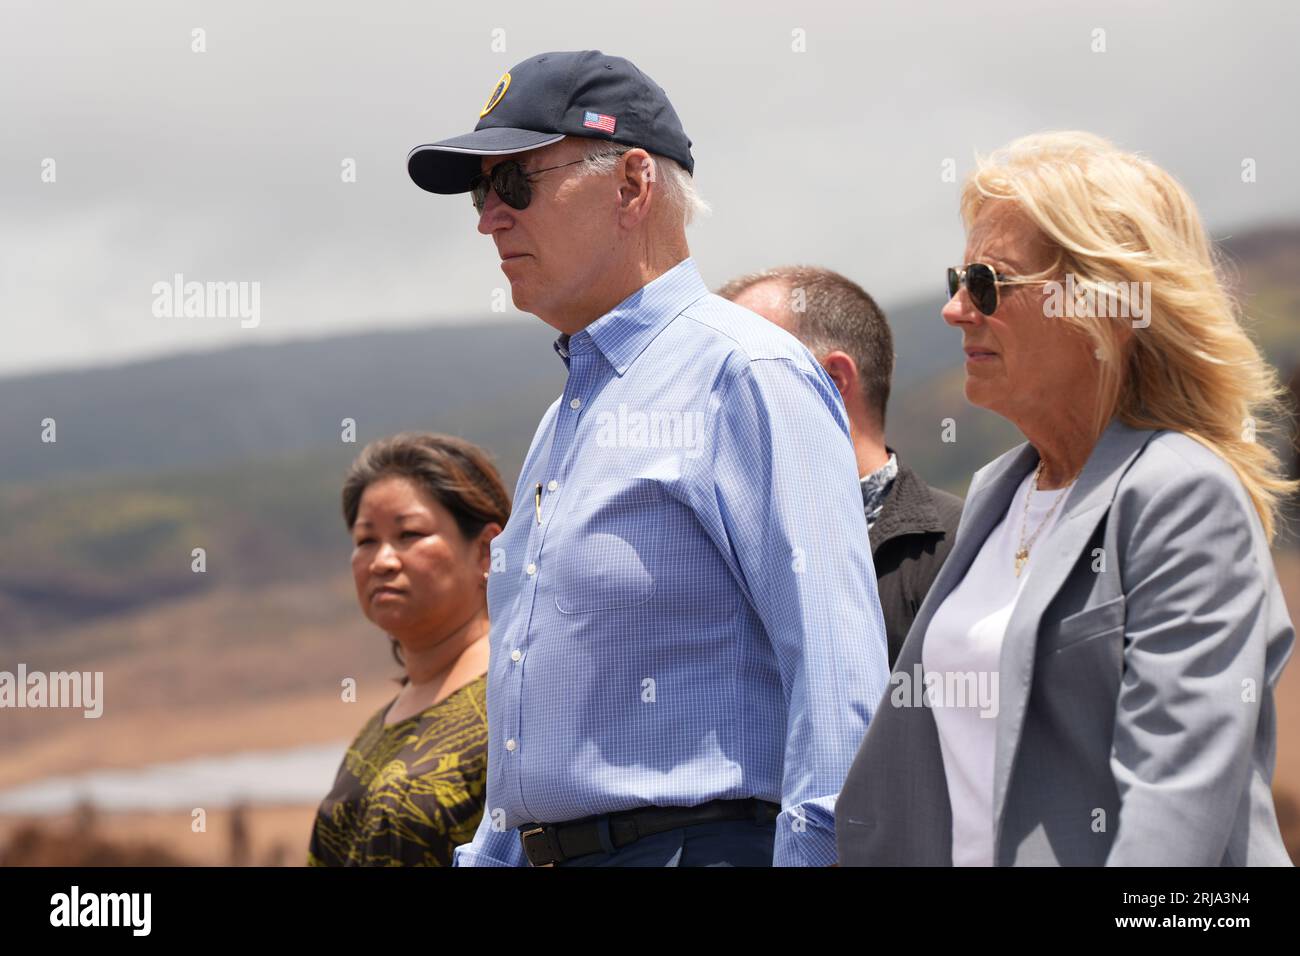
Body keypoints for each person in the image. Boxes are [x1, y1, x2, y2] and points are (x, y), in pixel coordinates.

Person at [406, 50, 888, 867]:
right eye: (482, 191)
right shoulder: (562, 422)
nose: (488, 216)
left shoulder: (747, 374)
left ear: (633, 185)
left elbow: (838, 674)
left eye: (516, 181)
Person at [836, 131, 1298, 866]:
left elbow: (1174, 815)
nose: (957, 309)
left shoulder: (1181, 492)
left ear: (1102, 304)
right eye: (958, 279)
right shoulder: (997, 494)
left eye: (986, 282)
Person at [720, 267, 963, 665]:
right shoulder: (721, 557)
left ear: (832, 381)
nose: (714, 400)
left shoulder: (962, 550)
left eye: (740, 372)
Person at [308, 433, 509, 866]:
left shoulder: (514, 700)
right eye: (366, 540)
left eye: (409, 534)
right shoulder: (377, 730)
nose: (382, 561)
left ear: (487, 551)